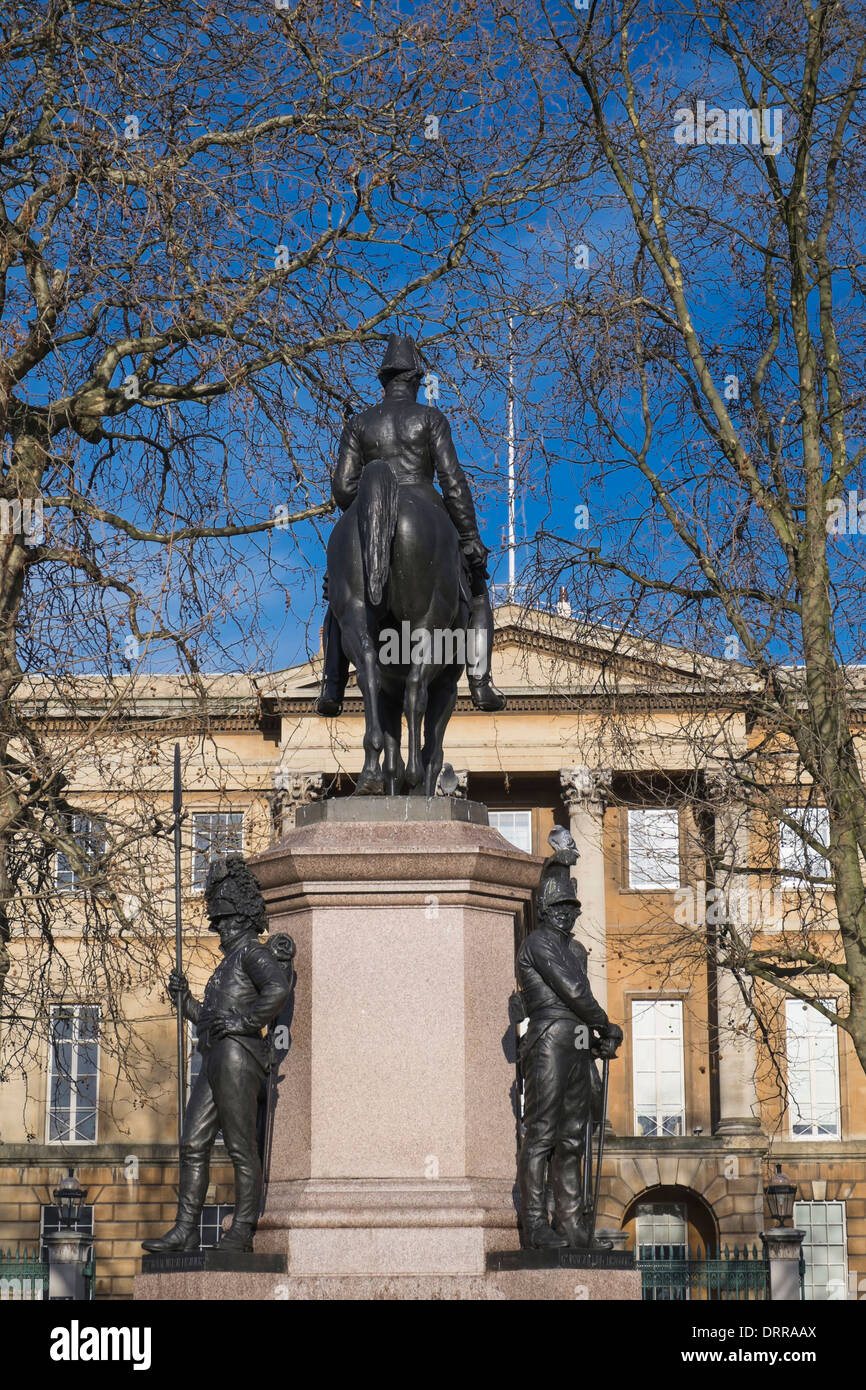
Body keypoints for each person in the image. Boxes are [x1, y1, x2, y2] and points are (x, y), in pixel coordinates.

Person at [316, 332, 505, 716]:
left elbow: (342, 489)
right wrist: (469, 539)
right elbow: (453, 482)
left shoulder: (358, 424)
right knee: (480, 592)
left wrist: (370, 514)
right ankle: (481, 682)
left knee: (339, 603)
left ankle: (332, 685)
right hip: (427, 509)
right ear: (416, 382)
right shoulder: (430, 418)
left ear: (384, 382)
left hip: (364, 519)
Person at [141, 856, 292, 1254]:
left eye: (223, 921)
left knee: (242, 1145)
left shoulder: (253, 955)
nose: (219, 929)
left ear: (241, 921)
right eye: (218, 922)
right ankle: (186, 1228)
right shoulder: (227, 963)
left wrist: (244, 1020)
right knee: (193, 1143)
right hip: (214, 1056)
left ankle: (243, 1227)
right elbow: (209, 1019)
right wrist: (185, 1000)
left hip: (239, 1056)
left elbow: (277, 990)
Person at [516, 842, 623, 1250]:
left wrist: (598, 1039)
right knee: (542, 1133)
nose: (568, 914)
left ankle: (571, 1225)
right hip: (548, 1040)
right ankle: (535, 1223)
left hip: (575, 1042)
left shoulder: (575, 947)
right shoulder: (540, 943)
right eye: (561, 907)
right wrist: (603, 1023)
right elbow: (574, 990)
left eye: (572, 908)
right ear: (545, 910)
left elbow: (582, 999)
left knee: (574, 1137)